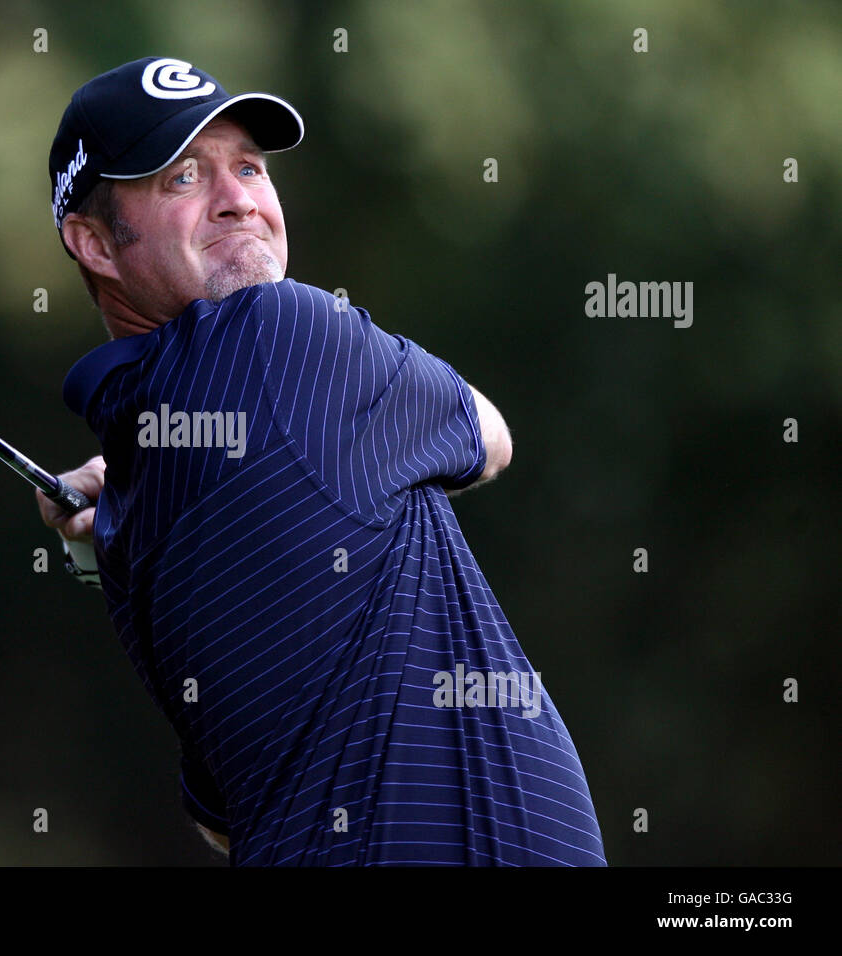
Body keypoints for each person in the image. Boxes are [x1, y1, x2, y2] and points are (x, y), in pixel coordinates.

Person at [37, 56, 607, 866]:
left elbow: (222, 824)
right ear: (92, 241)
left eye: (248, 167)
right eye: (183, 178)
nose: (238, 197)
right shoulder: (277, 331)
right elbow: (490, 435)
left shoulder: (128, 525)